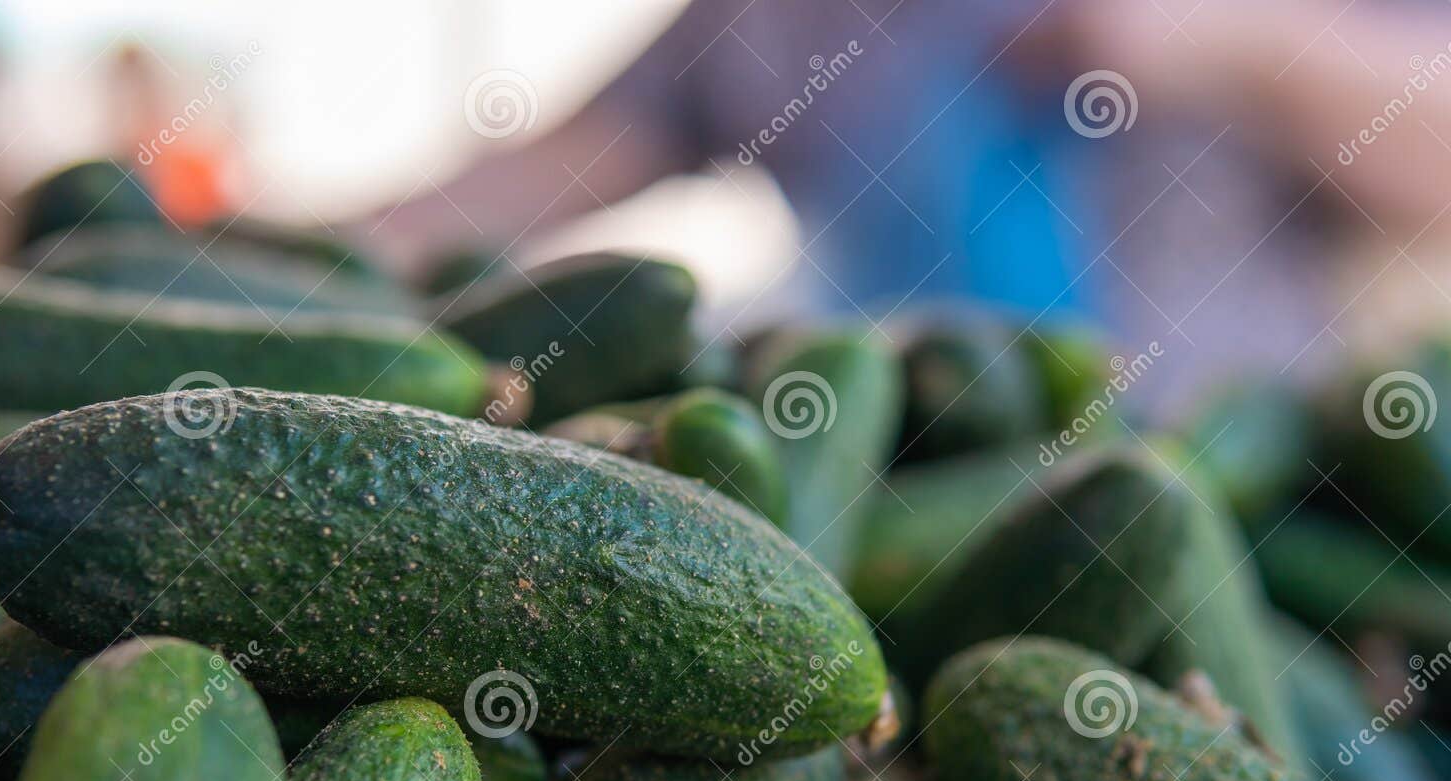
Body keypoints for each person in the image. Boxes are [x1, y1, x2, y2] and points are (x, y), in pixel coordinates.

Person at [368, 0, 1451, 406]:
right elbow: (569, 159)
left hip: (1250, 535)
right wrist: (302, 249)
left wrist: (1241, 41)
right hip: (887, 496)